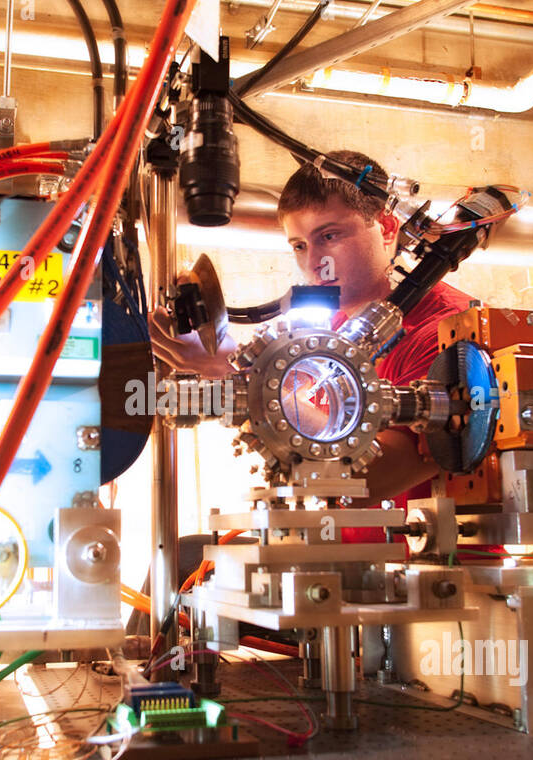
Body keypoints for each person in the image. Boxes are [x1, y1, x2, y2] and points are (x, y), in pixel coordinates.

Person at [150, 150, 474, 513]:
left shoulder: (448, 331)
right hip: (336, 556)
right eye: (299, 245)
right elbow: (289, 394)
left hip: (426, 562)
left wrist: (234, 374)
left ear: (386, 227)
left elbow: (370, 479)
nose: (314, 262)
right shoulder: (332, 329)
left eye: (330, 236)